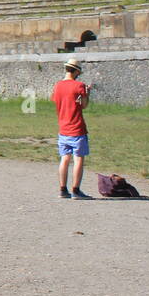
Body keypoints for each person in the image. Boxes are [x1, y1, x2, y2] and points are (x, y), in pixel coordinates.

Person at [52, 58, 92, 199]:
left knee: (64, 159)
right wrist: (87, 94)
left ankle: (63, 189)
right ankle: (76, 190)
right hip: (77, 128)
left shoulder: (57, 86)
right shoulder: (79, 86)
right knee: (78, 159)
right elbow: (84, 105)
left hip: (63, 128)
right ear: (76, 71)